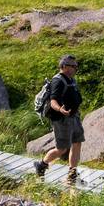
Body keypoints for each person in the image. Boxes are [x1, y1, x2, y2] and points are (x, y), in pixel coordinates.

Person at [33, 54, 84, 187]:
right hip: (62, 119)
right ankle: (41, 165)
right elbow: (53, 100)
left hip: (74, 117)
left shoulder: (71, 79)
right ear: (64, 66)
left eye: (76, 66)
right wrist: (60, 110)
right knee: (62, 148)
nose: (75, 68)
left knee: (77, 142)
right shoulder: (58, 81)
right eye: (73, 66)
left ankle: (72, 175)